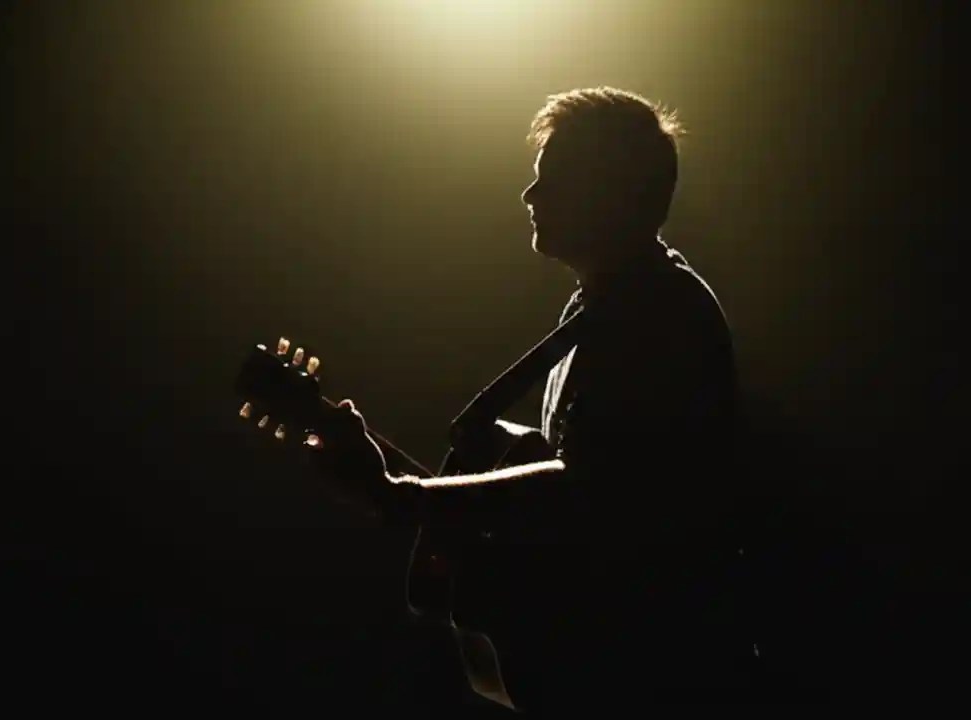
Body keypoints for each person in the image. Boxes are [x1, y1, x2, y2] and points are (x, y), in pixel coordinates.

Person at [310, 87, 757, 710]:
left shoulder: (660, 314)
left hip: (650, 678)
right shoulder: (599, 307)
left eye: (551, 180)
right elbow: (574, 474)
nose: (529, 195)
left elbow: (587, 490)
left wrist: (399, 495)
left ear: (606, 194)